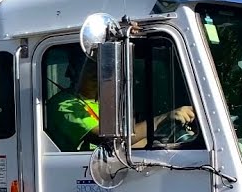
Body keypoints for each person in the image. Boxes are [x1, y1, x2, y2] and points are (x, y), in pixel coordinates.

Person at [46, 57, 195, 152]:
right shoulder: (64, 105)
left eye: (100, 67)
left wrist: (161, 142)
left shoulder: (104, 102)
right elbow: (110, 140)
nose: (96, 72)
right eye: (88, 66)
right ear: (72, 71)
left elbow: (127, 143)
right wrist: (164, 118)